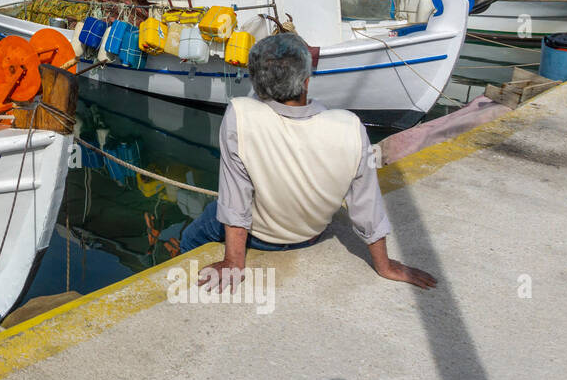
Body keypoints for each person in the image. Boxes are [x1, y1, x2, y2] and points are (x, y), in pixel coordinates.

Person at [180, 32, 437, 291]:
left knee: (195, 231)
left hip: (261, 237)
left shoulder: (240, 115)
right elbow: (366, 204)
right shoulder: (349, 126)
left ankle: (182, 279)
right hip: (311, 235)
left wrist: (234, 262)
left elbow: (236, 199)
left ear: (257, 81)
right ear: (306, 80)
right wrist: (385, 265)